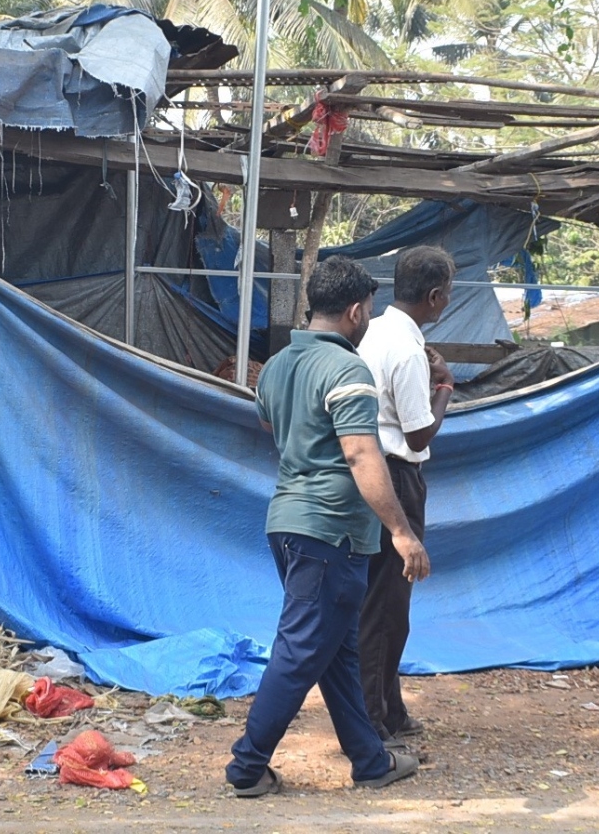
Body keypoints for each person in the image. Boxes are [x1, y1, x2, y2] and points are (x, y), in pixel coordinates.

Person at [225, 255, 431, 797]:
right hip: (331, 530)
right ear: (356, 311)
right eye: (369, 312)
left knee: (337, 650)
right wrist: (402, 532)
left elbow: (269, 422)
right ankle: (246, 766)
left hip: (287, 522)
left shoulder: (275, 367)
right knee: (300, 651)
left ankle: (370, 760)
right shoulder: (346, 369)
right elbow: (362, 454)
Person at [355, 246, 456, 748]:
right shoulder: (408, 350)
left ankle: (389, 709)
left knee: (381, 599)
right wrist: (445, 387)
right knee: (388, 606)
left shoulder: (372, 331)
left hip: (366, 471)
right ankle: (372, 720)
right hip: (396, 476)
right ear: (435, 297)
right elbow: (418, 435)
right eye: (447, 294)